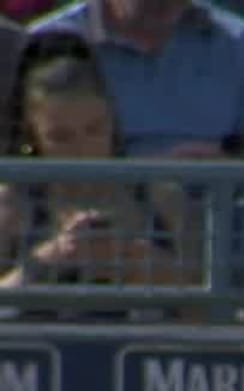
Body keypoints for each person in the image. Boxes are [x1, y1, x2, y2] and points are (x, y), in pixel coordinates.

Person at [0, 37, 196, 290]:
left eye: (95, 130)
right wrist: (52, 258)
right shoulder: (11, 205)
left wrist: (140, 261)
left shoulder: (162, 198)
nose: (82, 149)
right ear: (32, 134)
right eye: (61, 137)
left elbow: (207, 313)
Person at [31, 0, 244, 158]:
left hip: (216, 225)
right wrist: (150, 176)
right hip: (87, 222)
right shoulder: (46, 44)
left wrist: (222, 165)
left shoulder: (242, 43)